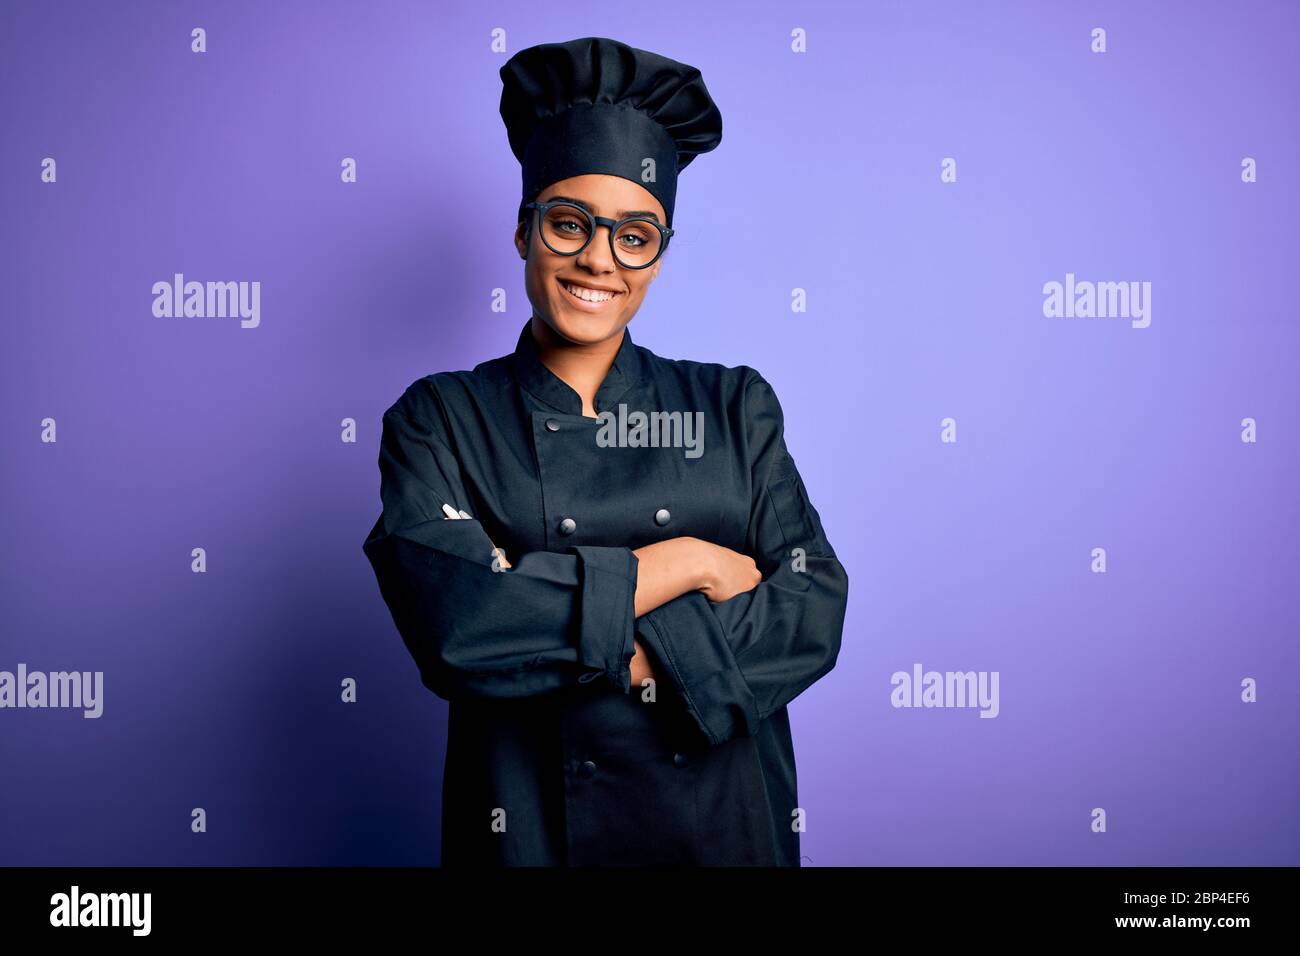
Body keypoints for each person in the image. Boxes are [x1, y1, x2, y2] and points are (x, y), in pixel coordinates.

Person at [362, 36, 849, 866]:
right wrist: (689, 561)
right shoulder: (439, 417)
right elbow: (461, 624)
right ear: (523, 234)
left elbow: (811, 612)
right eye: (568, 224)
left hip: (726, 833)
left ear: (658, 255)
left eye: (635, 235)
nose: (599, 258)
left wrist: (554, 626)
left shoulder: (733, 405)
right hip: (531, 838)